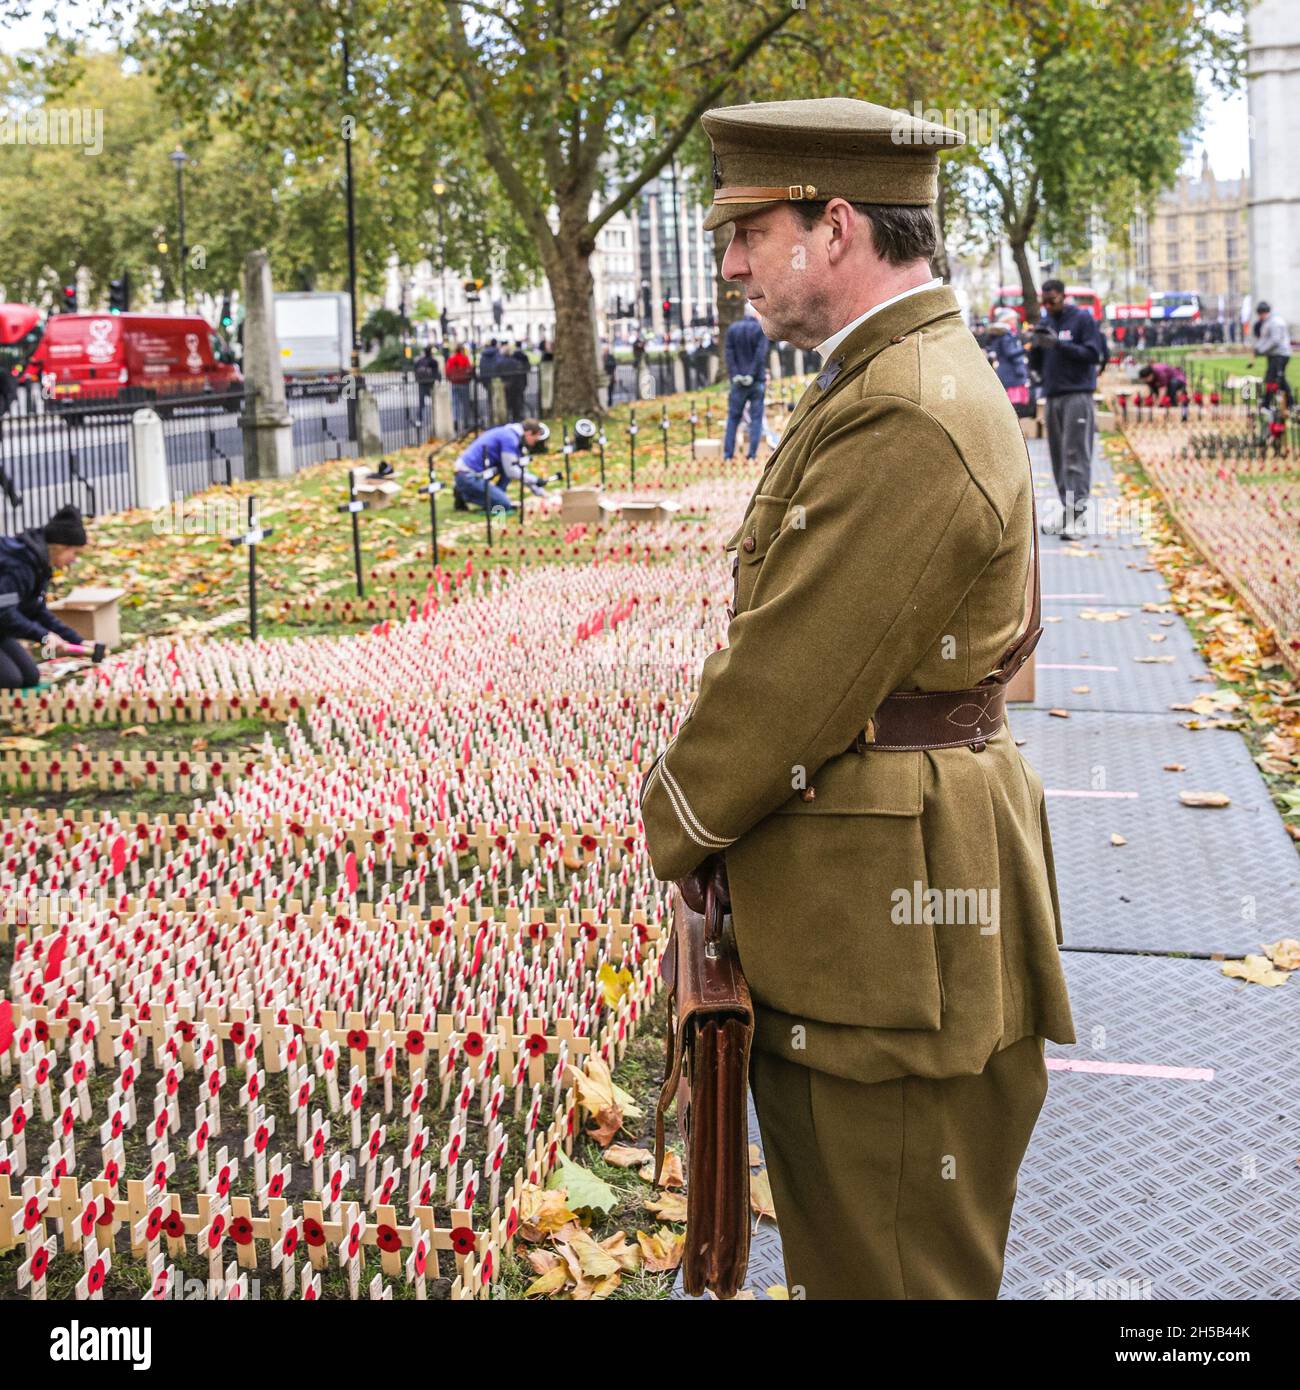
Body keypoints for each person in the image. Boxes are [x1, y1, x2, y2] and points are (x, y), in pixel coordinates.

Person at [637, 96, 1074, 1302]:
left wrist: (676, 819)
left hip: (888, 942)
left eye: (746, 229)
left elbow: (792, 680)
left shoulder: (901, 403)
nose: (728, 262)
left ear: (833, 225)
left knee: (887, 1269)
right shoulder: (894, 375)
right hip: (883, 918)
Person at [1027, 278, 1104, 540]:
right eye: (1044, 302)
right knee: (1059, 456)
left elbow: (1093, 354)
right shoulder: (1046, 322)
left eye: (1052, 300)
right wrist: (1035, 347)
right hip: (1053, 395)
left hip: (1077, 395)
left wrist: (1058, 344)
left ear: (1063, 296)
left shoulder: (1082, 320)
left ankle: (1078, 514)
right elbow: (1037, 363)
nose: (1048, 306)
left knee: (1076, 455)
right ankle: (1067, 509)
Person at [0, 504, 93, 689]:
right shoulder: (20, 567)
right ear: (60, 547)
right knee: (11, 680)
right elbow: (4, 611)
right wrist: (43, 636)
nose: (74, 559)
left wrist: (78, 640)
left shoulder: (39, 564)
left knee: (30, 677)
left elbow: (35, 610)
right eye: (74, 552)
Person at [451, 418, 549, 514]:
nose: (535, 442)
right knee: (503, 505)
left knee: (506, 468)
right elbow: (511, 471)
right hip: (468, 475)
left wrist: (542, 494)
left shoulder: (511, 434)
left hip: (474, 472)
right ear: (528, 433)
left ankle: (491, 494)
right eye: (535, 438)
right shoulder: (510, 439)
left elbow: (520, 469)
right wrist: (535, 480)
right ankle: (465, 493)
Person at [722, 307, 770, 461]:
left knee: (733, 418)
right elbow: (760, 355)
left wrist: (736, 374)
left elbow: (729, 354)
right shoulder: (759, 329)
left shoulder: (733, 329)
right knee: (756, 419)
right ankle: (752, 454)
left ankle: (728, 455)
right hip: (756, 381)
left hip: (738, 383)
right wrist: (751, 374)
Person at [986, 307, 1032, 416]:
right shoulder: (1006, 336)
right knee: (1013, 408)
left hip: (1007, 372)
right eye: (1013, 319)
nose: (1016, 322)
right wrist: (1025, 348)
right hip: (1011, 374)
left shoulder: (1001, 334)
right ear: (1006, 320)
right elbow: (1010, 353)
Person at [1250, 301, 1293, 410]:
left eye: (1260, 313)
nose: (1259, 316)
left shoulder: (1275, 322)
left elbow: (1275, 341)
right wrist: (1257, 348)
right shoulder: (1267, 322)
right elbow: (1264, 339)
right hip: (1273, 355)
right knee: (1279, 379)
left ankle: (1267, 403)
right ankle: (1291, 403)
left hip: (1280, 355)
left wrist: (1261, 350)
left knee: (1272, 378)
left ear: (1265, 312)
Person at [444, 343, 473, 433]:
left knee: (455, 403)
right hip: (464, 383)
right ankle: (466, 423)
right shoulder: (465, 359)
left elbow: (447, 371)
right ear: (461, 350)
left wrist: (450, 379)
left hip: (455, 383)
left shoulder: (451, 359)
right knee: (465, 404)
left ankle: (455, 420)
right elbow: (469, 369)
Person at [414, 344, 441, 418]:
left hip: (421, 383)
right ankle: (436, 418)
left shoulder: (419, 361)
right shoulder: (433, 361)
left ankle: (419, 420)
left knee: (421, 403)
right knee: (435, 402)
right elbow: (437, 373)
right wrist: (439, 381)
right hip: (430, 383)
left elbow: (415, 370)